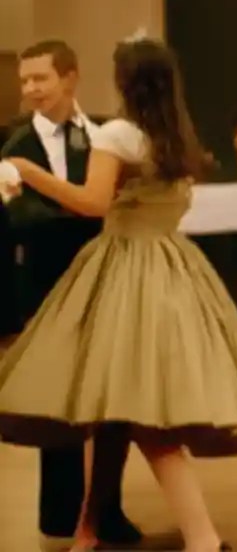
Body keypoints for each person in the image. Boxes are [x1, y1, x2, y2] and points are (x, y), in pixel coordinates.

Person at [0, 38, 237, 552]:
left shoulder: (116, 134)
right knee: (115, 408)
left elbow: (93, 203)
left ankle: (202, 538)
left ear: (124, 81)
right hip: (172, 266)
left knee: (142, 411)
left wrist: (30, 173)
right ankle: (89, 530)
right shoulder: (175, 136)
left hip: (126, 271)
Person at [0, 40, 141, 547]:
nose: (31, 89)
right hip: (46, 284)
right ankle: (60, 515)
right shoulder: (13, 146)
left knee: (112, 399)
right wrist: (84, 210)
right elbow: (20, 218)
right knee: (56, 400)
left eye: (41, 77)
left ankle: (106, 511)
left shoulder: (104, 135)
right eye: (25, 80)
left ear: (70, 77)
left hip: (106, 279)